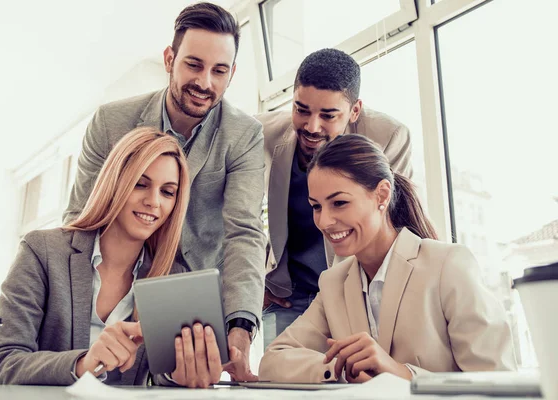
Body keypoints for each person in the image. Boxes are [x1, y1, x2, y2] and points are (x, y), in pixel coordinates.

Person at [62, 3, 265, 379]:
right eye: (194, 64)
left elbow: (245, 233)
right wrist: (69, 311)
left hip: (194, 295)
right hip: (119, 282)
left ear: (232, 73)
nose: (205, 82)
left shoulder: (245, 135)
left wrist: (241, 327)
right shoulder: (111, 122)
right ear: (170, 58)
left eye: (219, 71)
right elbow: (80, 217)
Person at [259, 134, 516, 383]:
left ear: (382, 195)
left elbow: (497, 382)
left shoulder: (448, 266)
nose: (324, 221)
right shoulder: (333, 283)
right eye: (316, 206)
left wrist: (398, 373)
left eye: (339, 203)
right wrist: (339, 368)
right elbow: (273, 360)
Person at [0, 127, 227, 387]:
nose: (153, 202)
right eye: (140, 184)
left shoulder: (174, 279)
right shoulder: (42, 251)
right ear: (115, 182)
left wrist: (178, 376)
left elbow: (156, 381)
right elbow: (0, 366)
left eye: (167, 192)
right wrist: (82, 364)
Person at [256, 48, 413, 346]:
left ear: (355, 111)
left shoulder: (388, 138)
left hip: (360, 288)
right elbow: (237, 218)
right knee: (283, 381)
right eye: (301, 110)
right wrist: (252, 285)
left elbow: (394, 222)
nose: (312, 127)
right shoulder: (261, 134)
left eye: (328, 115)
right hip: (289, 295)